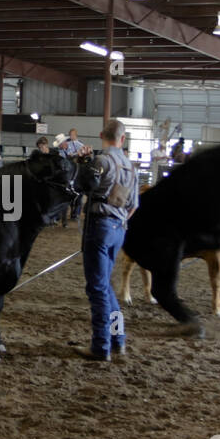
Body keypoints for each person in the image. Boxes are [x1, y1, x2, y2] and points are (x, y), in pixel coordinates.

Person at [77, 120, 138, 362]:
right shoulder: (131, 167)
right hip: (119, 228)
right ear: (122, 139)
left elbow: (83, 187)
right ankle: (118, 339)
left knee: (98, 288)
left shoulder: (101, 161)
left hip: (99, 226)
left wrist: (82, 164)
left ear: (102, 135)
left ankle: (101, 345)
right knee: (106, 287)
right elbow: (133, 206)